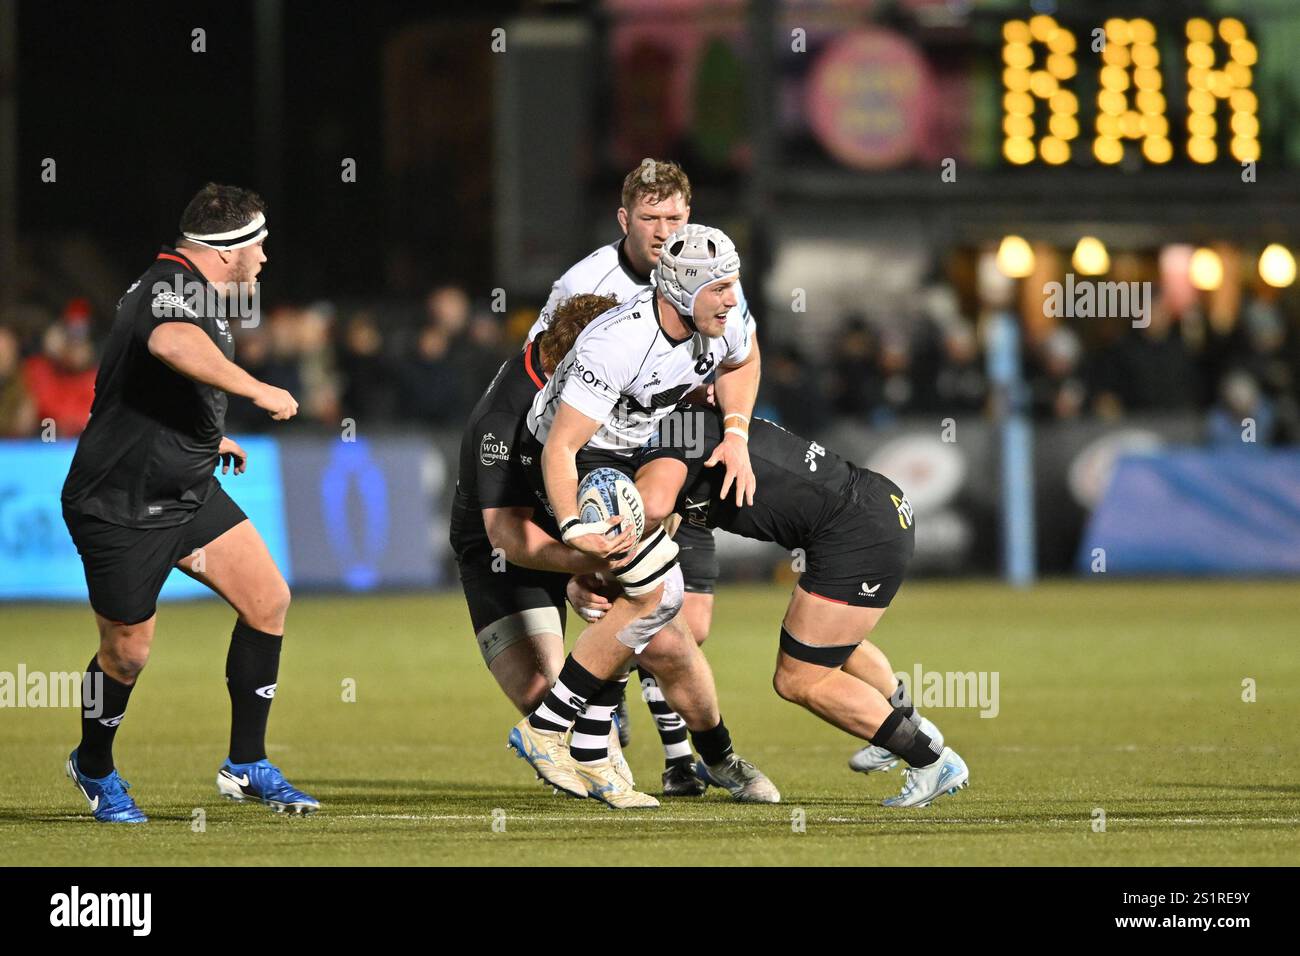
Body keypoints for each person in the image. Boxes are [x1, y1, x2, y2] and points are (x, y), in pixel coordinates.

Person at [451, 293, 774, 807]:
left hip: (586, 530)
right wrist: (583, 562)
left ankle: (716, 756)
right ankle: (589, 758)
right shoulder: (505, 416)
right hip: (513, 551)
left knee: (668, 637)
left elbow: (655, 470)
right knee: (549, 690)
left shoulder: (623, 375)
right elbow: (505, 536)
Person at [60, 183, 316, 823]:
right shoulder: (172, 287)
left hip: (186, 485)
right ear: (228, 251)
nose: (263, 259)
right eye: (258, 245)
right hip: (119, 501)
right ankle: (92, 764)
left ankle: (246, 763)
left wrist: (207, 433)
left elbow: (149, 383)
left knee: (268, 599)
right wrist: (257, 390)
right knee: (128, 653)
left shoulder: (187, 289)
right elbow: (172, 346)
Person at [611, 407, 970, 808]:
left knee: (799, 679)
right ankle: (908, 729)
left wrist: (589, 554)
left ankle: (930, 759)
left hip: (856, 533)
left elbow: (655, 506)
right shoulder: (700, 424)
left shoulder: (675, 431)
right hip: (871, 506)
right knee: (832, 646)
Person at [525, 160, 742, 794]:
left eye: (676, 216)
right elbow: (541, 372)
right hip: (597, 455)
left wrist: (736, 434)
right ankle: (592, 723)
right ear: (625, 220)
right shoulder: (586, 285)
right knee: (637, 602)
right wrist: (565, 509)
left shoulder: (712, 267)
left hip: (675, 445)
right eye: (651, 218)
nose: (665, 229)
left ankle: (656, 748)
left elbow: (742, 356)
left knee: (684, 626)